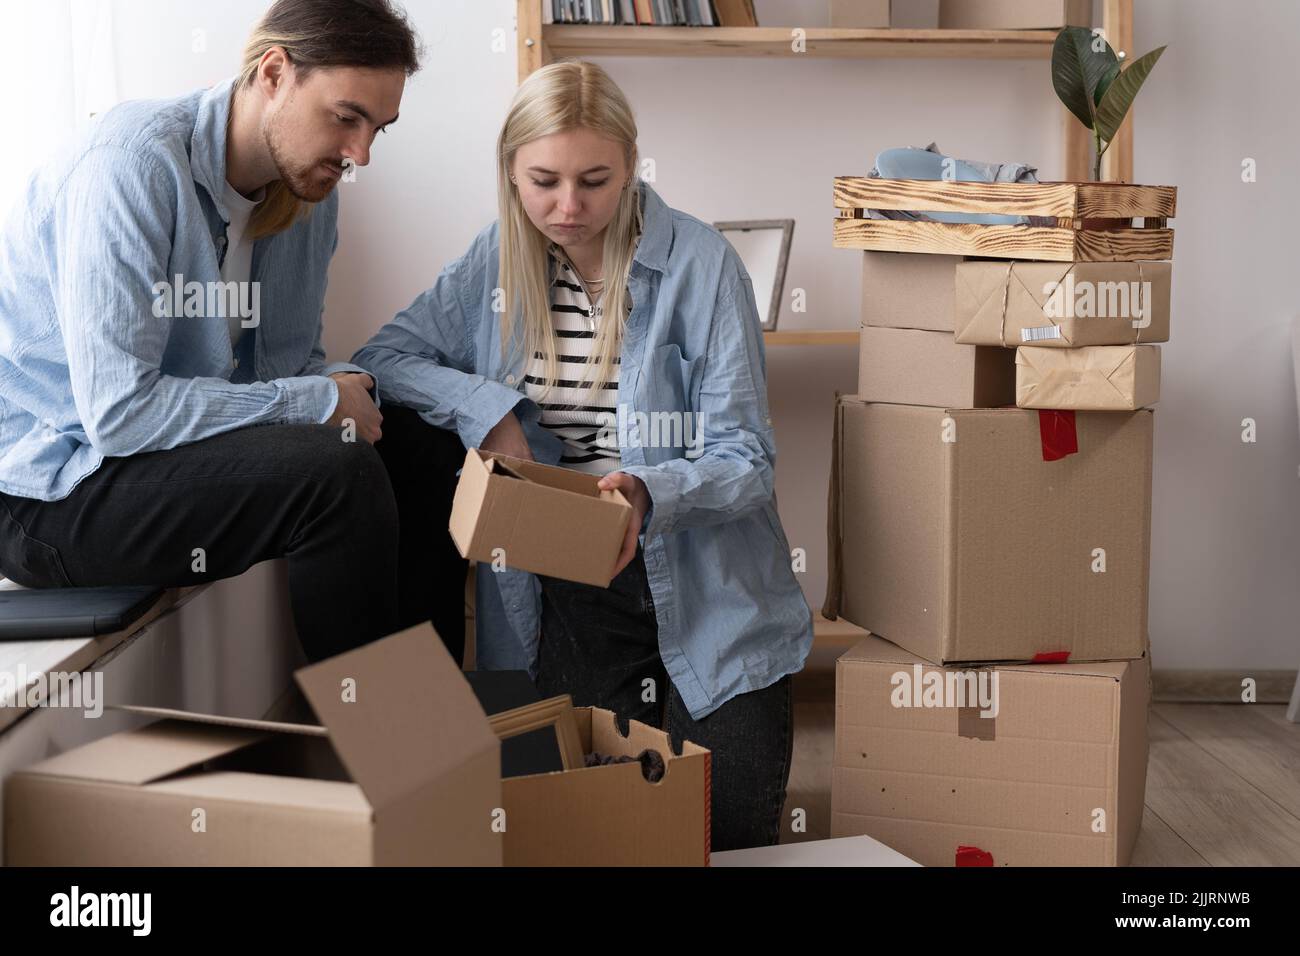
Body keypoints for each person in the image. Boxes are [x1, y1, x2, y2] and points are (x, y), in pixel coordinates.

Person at [353, 60, 814, 850]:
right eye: (543, 181)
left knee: (728, 836)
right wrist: (487, 408)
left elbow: (745, 457)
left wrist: (648, 492)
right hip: (567, 580)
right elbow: (384, 358)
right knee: (594, 833)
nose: (568, 207)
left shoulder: (704, 267)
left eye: (595, 180)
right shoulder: (494, 263)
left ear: (632, 166)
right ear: (509, 172)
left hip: (709, 583)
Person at [0, 0, 467, 663]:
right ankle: (387, 751)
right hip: (51, 491)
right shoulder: (130, 163)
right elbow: (121, 414)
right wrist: (318, 400)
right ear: (273, 72)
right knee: (338, 474)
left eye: (377, 130)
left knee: (423, 445)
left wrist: (333, 385)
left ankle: (440, 737)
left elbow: (290, 366)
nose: (359, 153)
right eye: (346, 118)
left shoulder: (309, 193)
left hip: (158, 461)